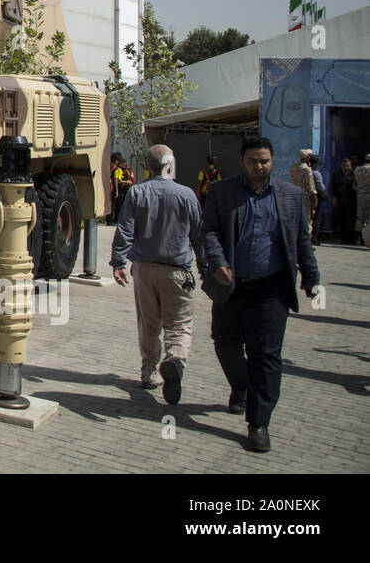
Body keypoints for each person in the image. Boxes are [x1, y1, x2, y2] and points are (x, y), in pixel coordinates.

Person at [195, 136, 320, 454]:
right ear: (242, 161)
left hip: (272, 288)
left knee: (266, 356)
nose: (258, 166)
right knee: (224, 343)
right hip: (231, 285)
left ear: (272, 160)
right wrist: (218, 263)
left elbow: (301, 241)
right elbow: (208, 231)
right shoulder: (223, 192)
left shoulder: (291, 196)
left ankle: (259, 423)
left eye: (264, 160)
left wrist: (312, 278)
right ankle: (240, 385)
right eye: (252, 161)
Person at [110, 144, 202, 404]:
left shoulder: (137, 193)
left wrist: (118, 262)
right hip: (178, 271)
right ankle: (174, 360)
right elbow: (199, 234)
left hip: (144, 270)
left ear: (148, 167)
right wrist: (206, 265)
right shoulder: (187, 195)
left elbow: (125, 229)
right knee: (179, 324)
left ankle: (149, 373)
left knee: (148, 325)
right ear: (170, 166)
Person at [289, 149, 317, 238]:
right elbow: (310, 185)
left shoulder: (294, 167)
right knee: (307, 218)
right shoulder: (307, 169)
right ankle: (306, 240)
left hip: (295, 195)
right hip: (305, 196)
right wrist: (314, 196)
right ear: (308, 157)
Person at [333, 156, 356, 244]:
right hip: (340, 199)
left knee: (349, 220)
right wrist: (334, 197)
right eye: (344, 165)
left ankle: (348, 237)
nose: (346, 167)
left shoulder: (353, 174)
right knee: (341, 219)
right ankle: (343, 236)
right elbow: (333, 185)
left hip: (350, 200)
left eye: (347, 165)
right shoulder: (337, 174)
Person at [309, 155, 327, 243]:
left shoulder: (304, 170)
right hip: (316, 197)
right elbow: (320, 187)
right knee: (317, 218)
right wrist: (325, 195)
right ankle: (314, 237)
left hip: (306, 197)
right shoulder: (316, 173)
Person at [355, 153, 370, 247]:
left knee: (360, 216)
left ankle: (357, 238)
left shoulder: (357, 169)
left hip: (360, 195)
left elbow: (354, 183)